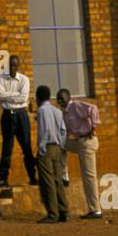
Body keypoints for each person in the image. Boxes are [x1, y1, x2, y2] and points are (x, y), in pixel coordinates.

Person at [56, 88, 102, 219]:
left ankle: (96, 210)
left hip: (87, 141)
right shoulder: (64, 113)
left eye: (62, 98)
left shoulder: (76, 105)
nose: (60, 101)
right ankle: (64, 174)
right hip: (78, 142)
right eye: (58, 99)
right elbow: (67, 132)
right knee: (60, 143)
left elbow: (93, 108)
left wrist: (93, 128)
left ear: (68, 98)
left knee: (89, 177)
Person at [0, 53, 37, 187]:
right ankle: (3, 178)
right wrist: (14, 96)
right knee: (7, 147)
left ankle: (32, 177)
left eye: (15, 66)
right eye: (10, 66)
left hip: (21, 115)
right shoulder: (0, 79)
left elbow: (23, 98)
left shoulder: (24, 79)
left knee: (26, 147)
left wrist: (8, 96)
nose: (13, 68)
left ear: (18, 66)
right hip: (7, 115)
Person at [34, 84, 68, 224]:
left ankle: (52, 214)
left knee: (47, 181)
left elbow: (45, 130)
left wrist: (41, 148)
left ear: (38, 97)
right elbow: (63, 130)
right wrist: (60, 144)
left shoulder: (42, 110)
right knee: (57, 180)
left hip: (47, 148)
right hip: (57, 148)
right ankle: (63, 211)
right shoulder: (57, 111)